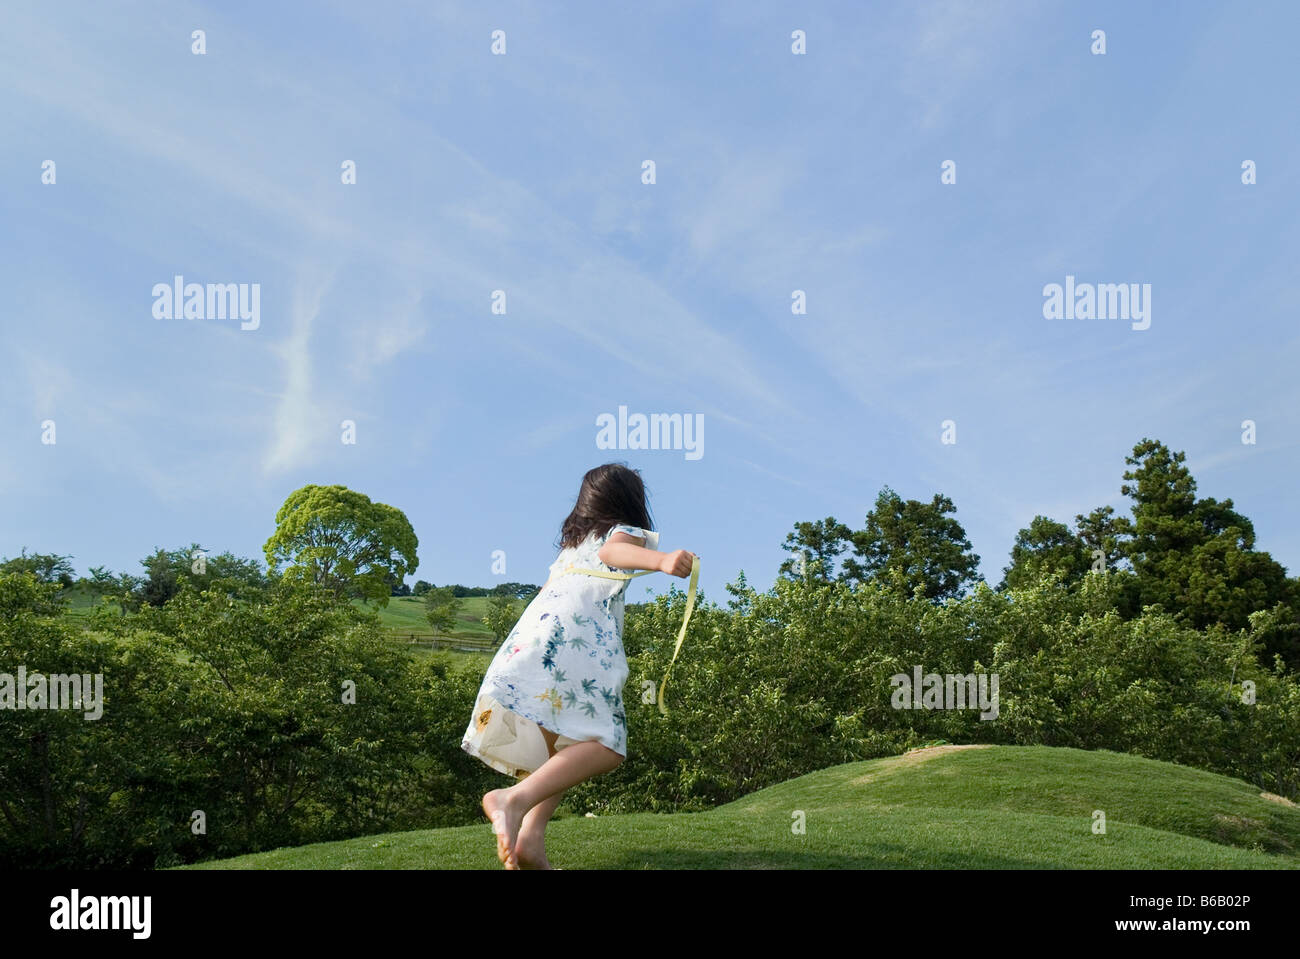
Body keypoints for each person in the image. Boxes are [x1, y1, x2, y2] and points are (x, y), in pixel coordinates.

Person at [460, 462, 695, 869]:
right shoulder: (623, 532)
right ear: (629, 501)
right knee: (607, 744)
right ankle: (510, 801)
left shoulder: (570, 549)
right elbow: (614, 552)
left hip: (534, 645)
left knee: (565, 749)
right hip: (577, 647)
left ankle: (531, 840)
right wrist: (661, 561)